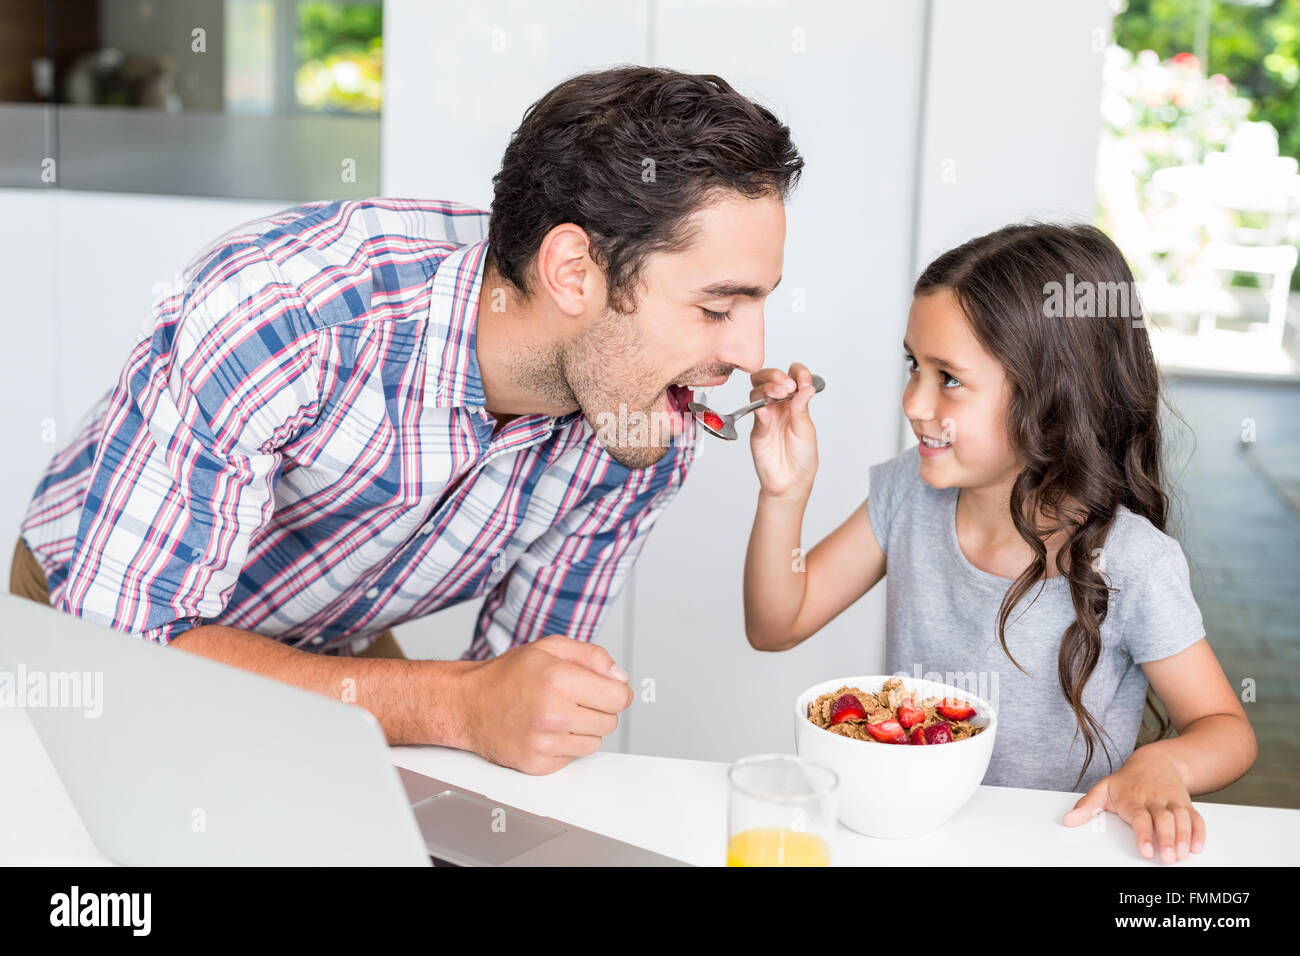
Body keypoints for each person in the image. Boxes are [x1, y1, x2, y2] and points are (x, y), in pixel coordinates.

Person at [12, 65, 802, 775]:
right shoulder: (289, 313)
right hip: (98, 614)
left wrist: (515, 709)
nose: (748, 351)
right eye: (717, 306)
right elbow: (126, 648)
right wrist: (451, 706)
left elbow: (517, 689)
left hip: (329, 638)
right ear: (571, 272)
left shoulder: (639, 424)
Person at [740, 222, 1257, 863]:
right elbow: (775, 623)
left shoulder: (1131, 562)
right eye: (913, 366)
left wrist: (1165, 765)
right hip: (920, 845)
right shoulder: (907, 494)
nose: (914, 403)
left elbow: (1227, 731)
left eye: (948, 378)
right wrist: (785, 494)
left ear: (1050, 401)